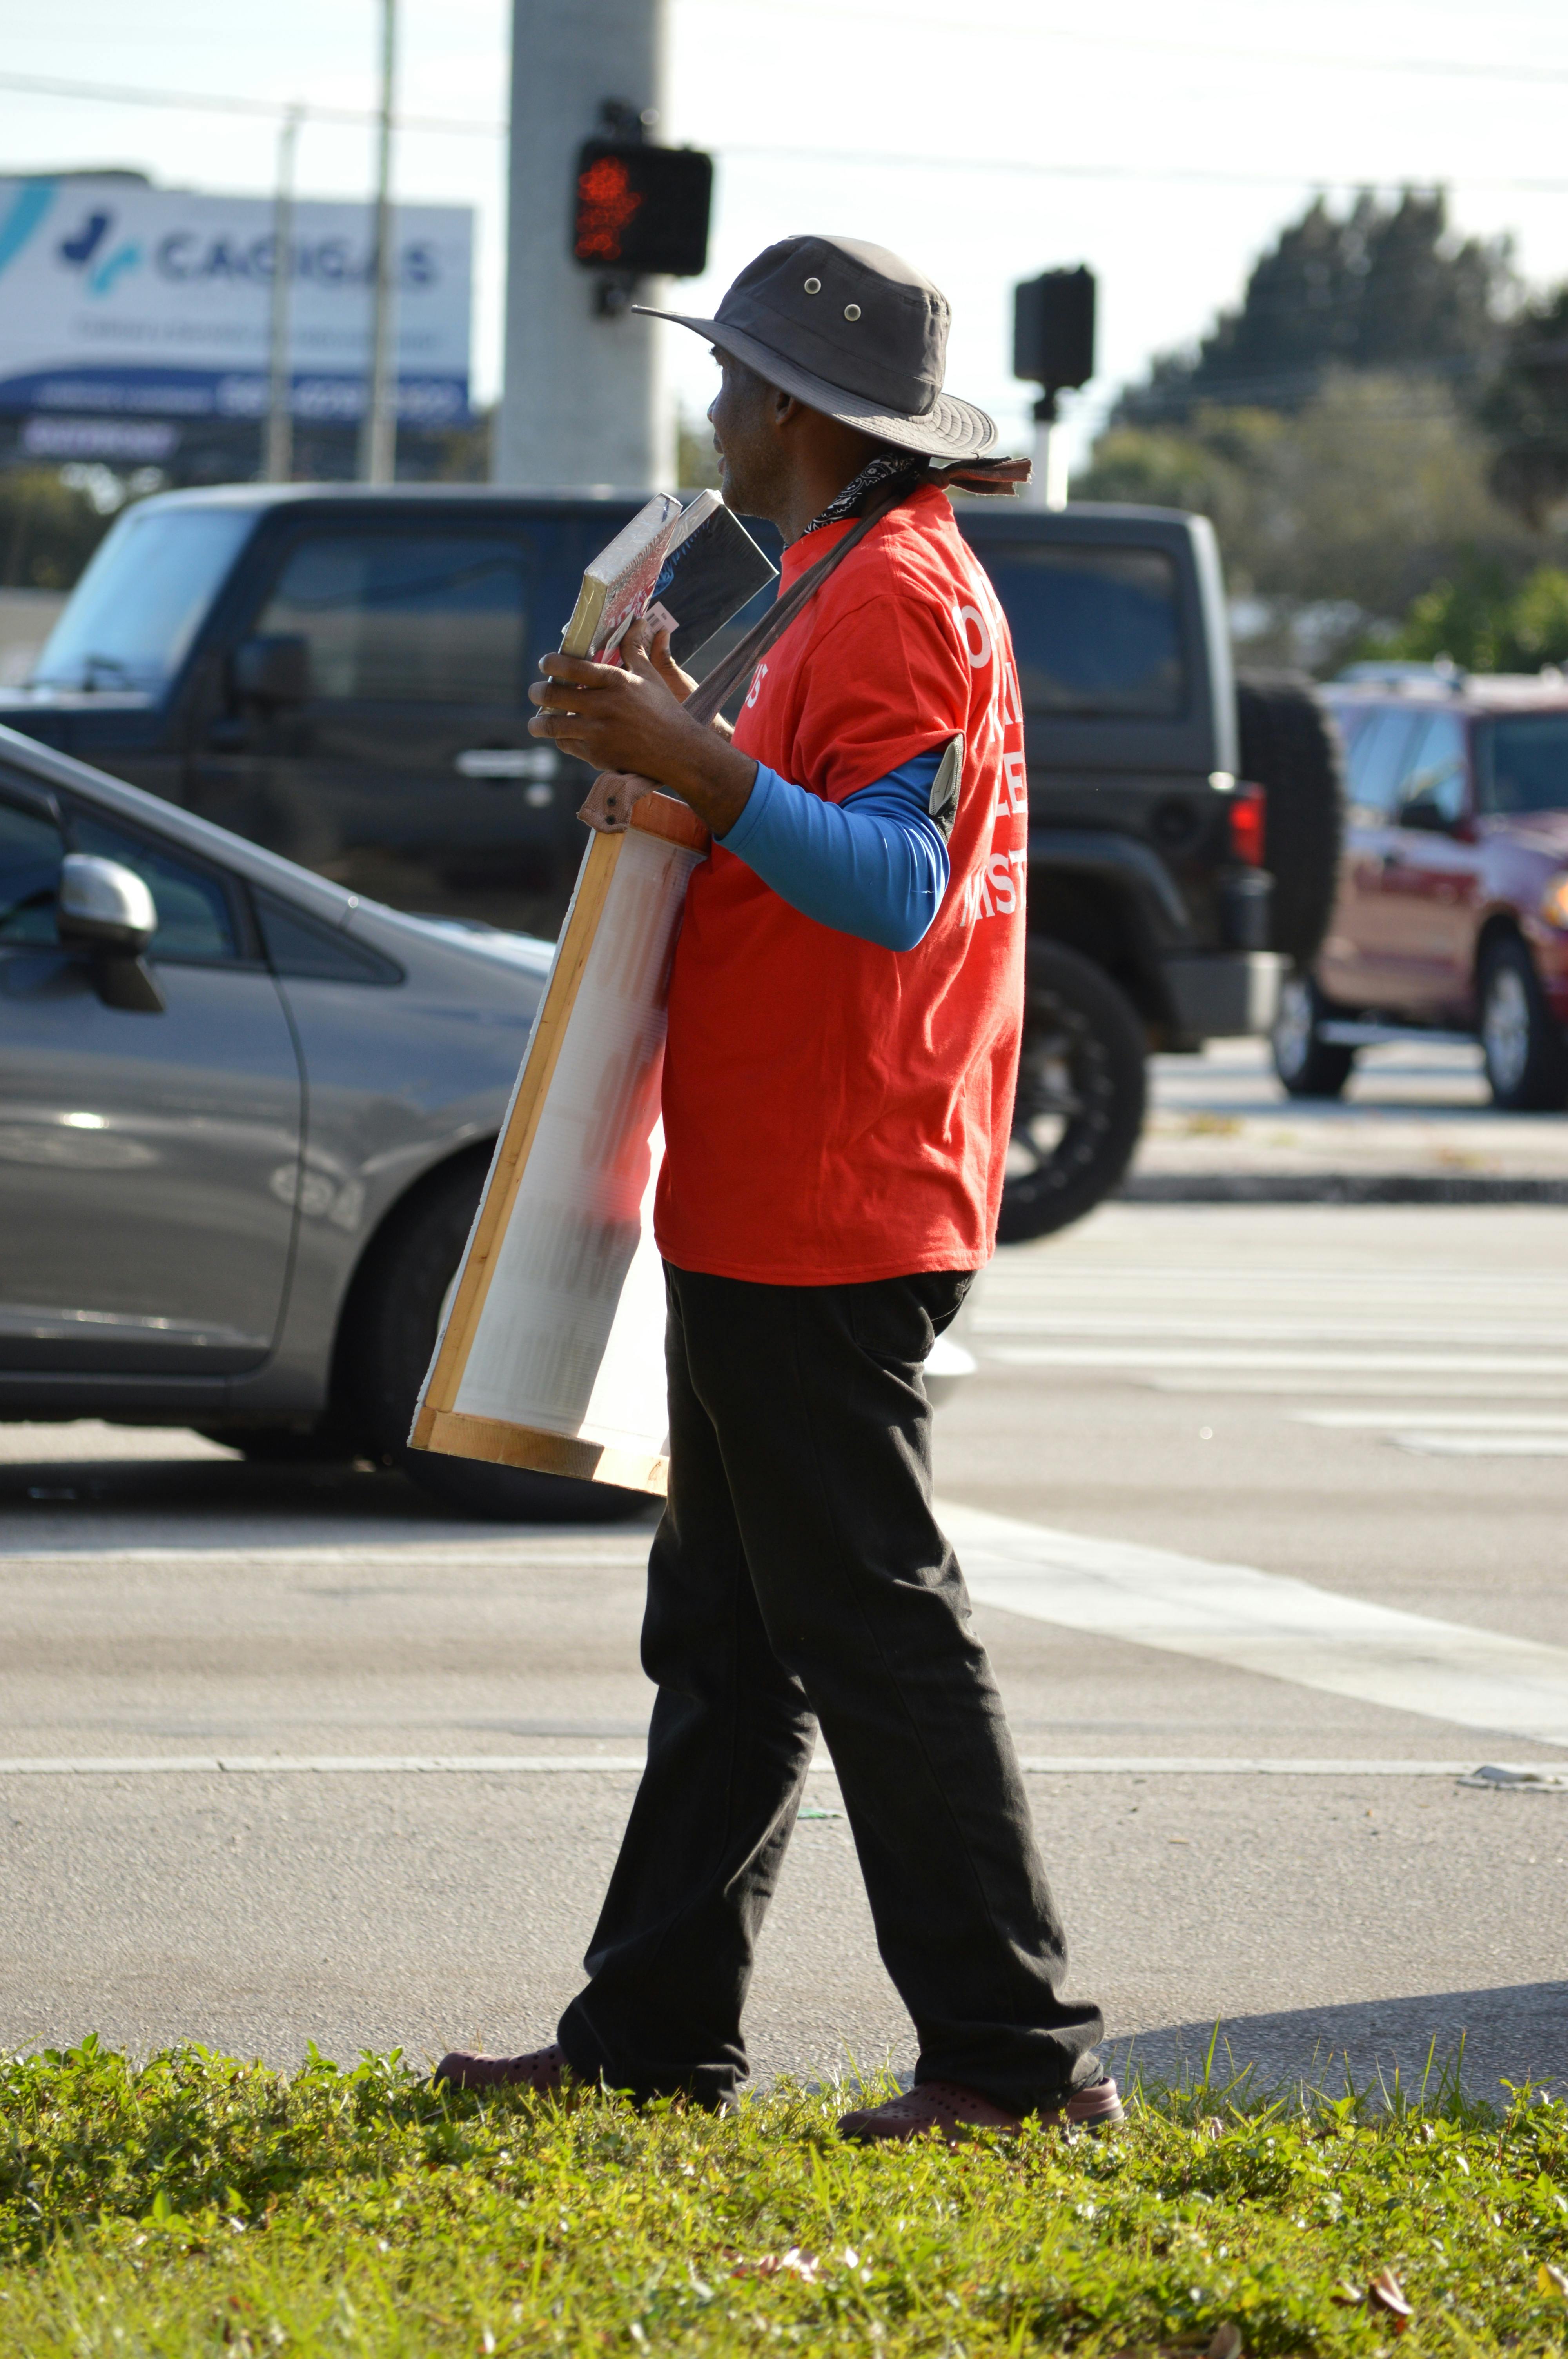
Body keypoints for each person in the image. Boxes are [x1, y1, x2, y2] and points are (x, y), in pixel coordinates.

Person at [436, 235, 1116, 2145]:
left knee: (877, 1633)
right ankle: (655, 2039)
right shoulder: (828, 572)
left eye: (735, 379)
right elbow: (794, 836)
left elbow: (892, 886)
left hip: (834, 1200)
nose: (714, 405)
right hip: (773, 1190)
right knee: (729, 1643)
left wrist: (700, 775)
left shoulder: (893, 592)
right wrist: (660, 765)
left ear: (807, 416)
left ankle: (1020, 2061)